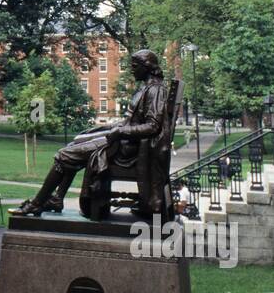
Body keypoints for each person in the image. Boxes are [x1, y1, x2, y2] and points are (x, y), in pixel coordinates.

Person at [11, 49, 169, 217]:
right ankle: (57, 199)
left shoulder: (155, 90)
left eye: (135, 66)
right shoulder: (147, 88)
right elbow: (134, 121)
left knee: (64, 155)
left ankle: (37, 204)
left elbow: (153, 126)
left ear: (147, 67)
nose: (131, 69)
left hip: (127, 149)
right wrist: (106, 128)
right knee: (76, 143)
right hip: (123, 142)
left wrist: (120, 131)